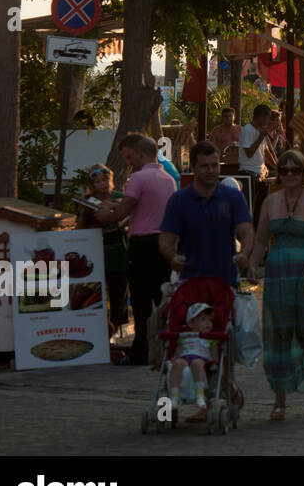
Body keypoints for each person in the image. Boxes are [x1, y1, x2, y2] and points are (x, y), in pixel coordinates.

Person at [246, 148, 304, 420]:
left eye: (294, 170)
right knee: (279, 333)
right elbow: (261, 239)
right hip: (279, 277)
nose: (288, 175)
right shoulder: (270, 202)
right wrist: (252, 262)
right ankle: (279, 398)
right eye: (283, 170)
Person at [95, 133, 177, 366]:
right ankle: (167, 348)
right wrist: (116, 206)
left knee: (140, 302)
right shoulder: (167, 178)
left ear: (140, 152)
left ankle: (140, 352)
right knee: (161, 297)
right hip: (163, 242)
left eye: (129, 156)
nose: (128, 161)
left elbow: (122, 212)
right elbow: (138, 205)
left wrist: (104, 214)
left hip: (142, 245)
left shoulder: (138, 178)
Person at [160, 141, 256, 286]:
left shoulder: (233, 197)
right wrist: (173, 257)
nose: (211, 170)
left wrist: (244, 253)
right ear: (192, 167)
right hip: (189, 281)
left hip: (226, 281)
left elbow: (247, 231)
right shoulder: (178, 200)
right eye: (205, 166)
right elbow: (166, 240)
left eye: (215, 165)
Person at [77, 163, 129, 333]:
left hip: (119, 253)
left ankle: (115, 331)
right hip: (94, 254)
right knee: (92, 296)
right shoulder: (88, 201)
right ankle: (94, 332)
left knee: (118, 296)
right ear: (92, 184)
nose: (102, 183)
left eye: (105, 179)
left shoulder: (121, 197)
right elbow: (80, 229)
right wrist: (85, 211)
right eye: (98, 181)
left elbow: (130, 222)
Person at [169, 302, 219, 422]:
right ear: (191, 323)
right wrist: (175, 357)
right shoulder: (185, 336)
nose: (208, 323)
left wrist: (215, 361)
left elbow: (214, 354)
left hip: (201, 359)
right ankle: (175, 396)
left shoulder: (210, 338)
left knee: (196, 364)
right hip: (184, 357)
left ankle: (200, 395)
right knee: (177, 364)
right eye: (203, 319)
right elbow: (178, 350)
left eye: (210, 320)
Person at [239, 104, 276, 218]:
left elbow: (265, 153)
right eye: (267, 118)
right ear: (260, 117)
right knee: (252, 208)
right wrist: (260, 136)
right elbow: (249, 153)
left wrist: (277, 166)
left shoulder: (261, 131)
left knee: (260, 209)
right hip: (249, 173)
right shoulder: (247, 130)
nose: (268, 121)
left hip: (261, 173)